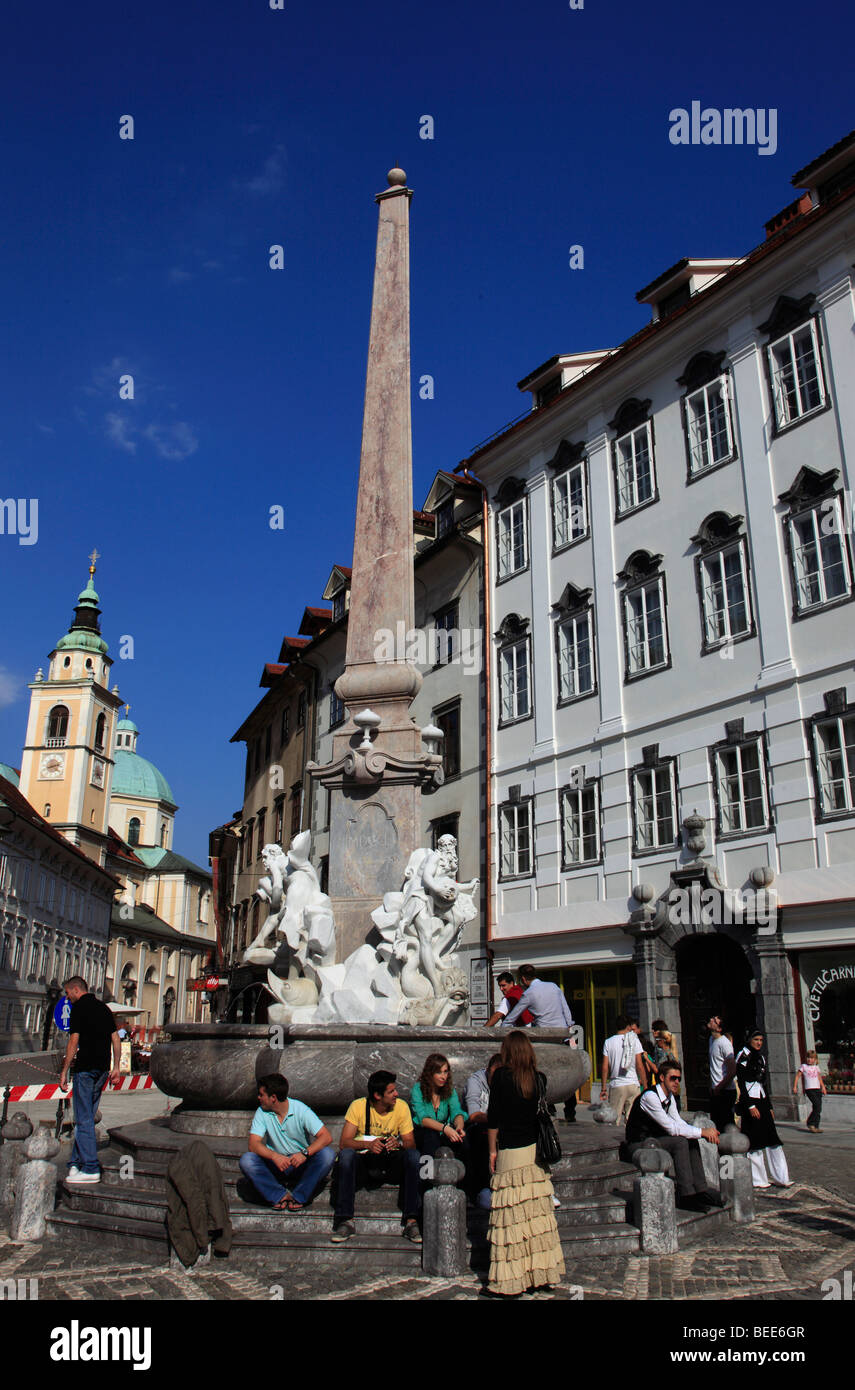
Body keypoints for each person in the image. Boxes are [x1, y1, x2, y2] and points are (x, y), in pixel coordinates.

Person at [485, 1030, 564, 1296]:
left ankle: (510, 1281)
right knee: (535, 1219)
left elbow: (493, 1117)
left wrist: (491, 1151)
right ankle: (539, 1275)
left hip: (511, 1150)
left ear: (507, 1052)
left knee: (511, 1219)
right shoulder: (538, 1079)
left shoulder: (501, 1078)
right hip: (536, 1155)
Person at [331, 1070, 421, 1244]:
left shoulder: (401, 1107)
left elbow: (411, 1142)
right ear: (377, 1095)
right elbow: (344, 1142)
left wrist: (399, 1144)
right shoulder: (358, 1106)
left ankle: (411, 1220)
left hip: (391, 1162)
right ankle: (345, 1219)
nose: (396, 1094)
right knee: (347, 1155)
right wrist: (368, 1145)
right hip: (365, 1162)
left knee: (413, 1156)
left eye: (395, 1090)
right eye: (391, 1092)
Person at [624, 1061, 723, 1211]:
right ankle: (686, 1195)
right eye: (673, 1078)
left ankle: (701, 1190)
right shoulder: (650, 1097)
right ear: (662, 1077)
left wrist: (700, 1133)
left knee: (691, 1140)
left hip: (655, 1141)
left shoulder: (669, 1098)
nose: (677, 1082)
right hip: (640, 1143)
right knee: (679, 1142)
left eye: (679, 1079)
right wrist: (703, 1132)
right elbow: (671, 1129)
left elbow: (679, 1123)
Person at [239, 1074, 335, 1210]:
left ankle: (299, 1196)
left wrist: (304, 1154)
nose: (258, 1098)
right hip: (276, 1164)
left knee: (327, 1155)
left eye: (261, 1095)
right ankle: (279, 1196)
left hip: (300, 1162)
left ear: (273, 1098)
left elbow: (326, 1137)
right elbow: (253, 1144)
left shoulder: (300, 1109)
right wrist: (275, 1156)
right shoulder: (262, 1112)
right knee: (247, 1160)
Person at [58, 976, 121, 1184]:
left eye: (68, 993)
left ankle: (91, 1168)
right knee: (88, 1115)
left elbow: (73, 1041)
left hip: (85, 1069)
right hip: (102, 1069)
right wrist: (117, 1066)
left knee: (83, 1118)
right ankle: (76, 1163)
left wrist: (64, 1070)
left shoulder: (79, 1009)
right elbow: (115, 1038)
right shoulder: (104, 1008)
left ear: (76, 990)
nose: (67, 998)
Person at [735, 1030, 793, 1189]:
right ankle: (759, 1179)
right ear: (749, 1040)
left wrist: (769, 1106)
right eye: (756, 1039)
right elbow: (741, 1082)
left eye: (761, 1040)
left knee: (772, 1138)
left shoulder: (761, 1057)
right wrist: (750, 1105)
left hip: (761, 1098)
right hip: (750, 1100)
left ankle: (781, 1177)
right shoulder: (743, 1056)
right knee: (756, 1141)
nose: (759, 1042)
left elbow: (764, 1083)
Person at [410, 1053, 469, 1170]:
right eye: (439, 1072)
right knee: (431, 1137)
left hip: (444, 1134)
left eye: (446, 1071)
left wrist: (458, 1128)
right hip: (424, 1134)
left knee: (463, 1141)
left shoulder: (449, 1090)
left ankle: (463, 1183)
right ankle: (427, 1180)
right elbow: (423, 1119)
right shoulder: (418, 1089)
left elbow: (456, 1111)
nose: (443, 1076)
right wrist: (445, 1128)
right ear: (430, 1073)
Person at [465, 1053, 502, 1206]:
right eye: (493, 1075)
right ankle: (482, 1189)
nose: (496, 1081)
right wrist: (497, 1119)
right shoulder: (475, 1081)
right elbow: (473, 1115)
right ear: (487, 1071)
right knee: (481, 1136)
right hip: (478, 1128)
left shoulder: (506, 1081)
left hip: (500, 1128)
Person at [601, 1015, 647, 1126]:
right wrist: (645, 1085)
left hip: (617, 1085)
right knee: (634, 1121)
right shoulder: (634, 1040)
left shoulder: (608, 1042)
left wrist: (603, 1088)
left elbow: (605, 1067)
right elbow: (640, 1066)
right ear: (627, 1026)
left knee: (613, 1120)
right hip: (633, 1084)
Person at [500, 965, 573, 1030]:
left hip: (545, 1034)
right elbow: (565, 1009)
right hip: (562, 1031)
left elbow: (511, 1018)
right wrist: (569, 1025)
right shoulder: (554, 986)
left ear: (523, 979)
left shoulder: (528, 994)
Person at [707, 1015, 737, 1131]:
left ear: (719, 1029)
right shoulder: (711, 1039)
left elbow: (732, 1070)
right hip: (716, 1090)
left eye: (714, 1021)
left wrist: (720, 1087)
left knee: (727, 1125)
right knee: (716, 1124)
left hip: (725, 1091)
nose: (710, 1020)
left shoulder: (724, 1043)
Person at [793, 1050, 826, 1133]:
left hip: (817, 1089)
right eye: (808, 1058)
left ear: (815, 1059)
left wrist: (823, 1087)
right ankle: (810, 1123)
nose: (809, 1060)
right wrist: (795, 1086)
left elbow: (819, 1078)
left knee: (818, 1108)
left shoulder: (816, 1067)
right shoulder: (803, 1066)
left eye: (811, 1058)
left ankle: (815, 1126)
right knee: (817, 1105)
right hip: (809, 1089)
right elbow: (797, 1076)